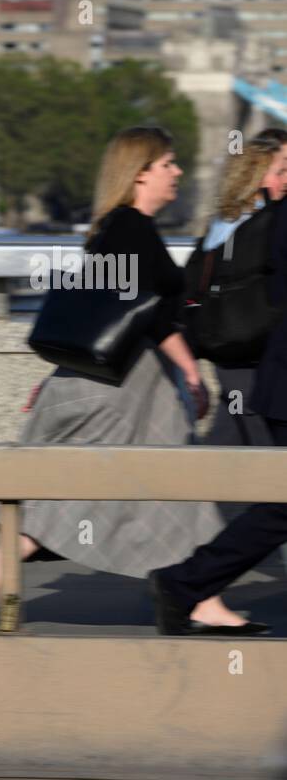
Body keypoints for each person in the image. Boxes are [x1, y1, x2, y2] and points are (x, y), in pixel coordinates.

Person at [0, 126, 255, 632]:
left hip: (131, 388)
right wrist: (191, 372)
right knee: (91, 490)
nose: (177, 172)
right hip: (125, 391)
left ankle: (197, 593)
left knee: (146, 487)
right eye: (168, 163)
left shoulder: (119, 227)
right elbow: (153, 316)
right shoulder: (130, 228)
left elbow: (120, 308)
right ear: (140, 172)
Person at [149, 136, 287, 635]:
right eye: (282, 167)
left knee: (238, 477)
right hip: (253, 361)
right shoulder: (261, 223)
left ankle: (193, 578)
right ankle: (193, 580)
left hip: (236, 359)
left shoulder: (222, 225)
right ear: (258, 173)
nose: (286, 178)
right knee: (263, 486)